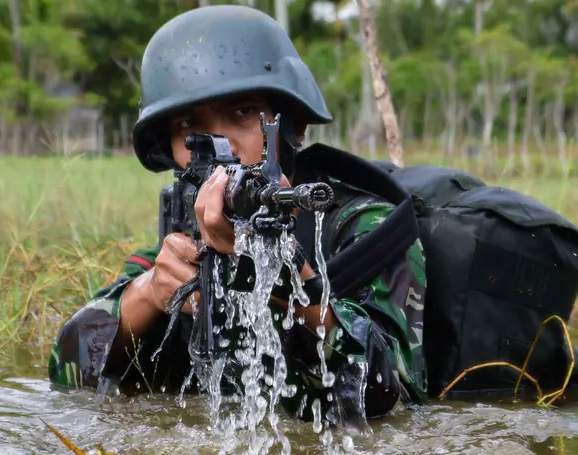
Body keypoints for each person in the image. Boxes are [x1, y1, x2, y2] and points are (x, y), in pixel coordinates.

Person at [47, 5, 427, 422]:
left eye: (242, 112)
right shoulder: (179, 244)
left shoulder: (365, 229)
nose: (219, 144)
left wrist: (286, 274)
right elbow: (66, 372)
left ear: (290, 125)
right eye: (190, 124)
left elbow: (387, 398)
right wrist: (150, 292)